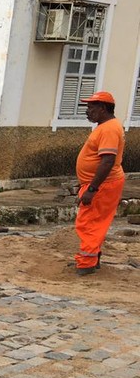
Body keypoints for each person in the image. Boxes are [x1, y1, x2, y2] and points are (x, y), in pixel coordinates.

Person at [74, 90, 125, 276]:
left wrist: (92, 189)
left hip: (102, 186)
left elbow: (107, 161)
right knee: (96, 222)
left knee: (89, 224)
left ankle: (86, 263)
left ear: (102, 108)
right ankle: (92, 259)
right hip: (101, 183)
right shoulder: (106, 126)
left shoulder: (109, 129)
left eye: (91, 107)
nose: (87, 111)